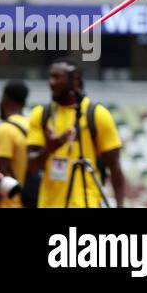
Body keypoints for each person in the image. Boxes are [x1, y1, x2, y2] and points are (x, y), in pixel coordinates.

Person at [25, 59, 126, 208]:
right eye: (50, 77)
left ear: (75, 80)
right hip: (49, 204)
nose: (51, 82)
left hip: (86, 204)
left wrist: (120, 205)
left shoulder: (97, 115)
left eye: (57, 77)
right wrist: (49, 149)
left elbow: (115, 168)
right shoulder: (41, 115)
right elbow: (32, 166)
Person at [0, 81, 30, 208]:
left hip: (9, 203)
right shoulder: (32, 125)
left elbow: (1, 169)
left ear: (5, 99)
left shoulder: (6, 129)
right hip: (31, 200)